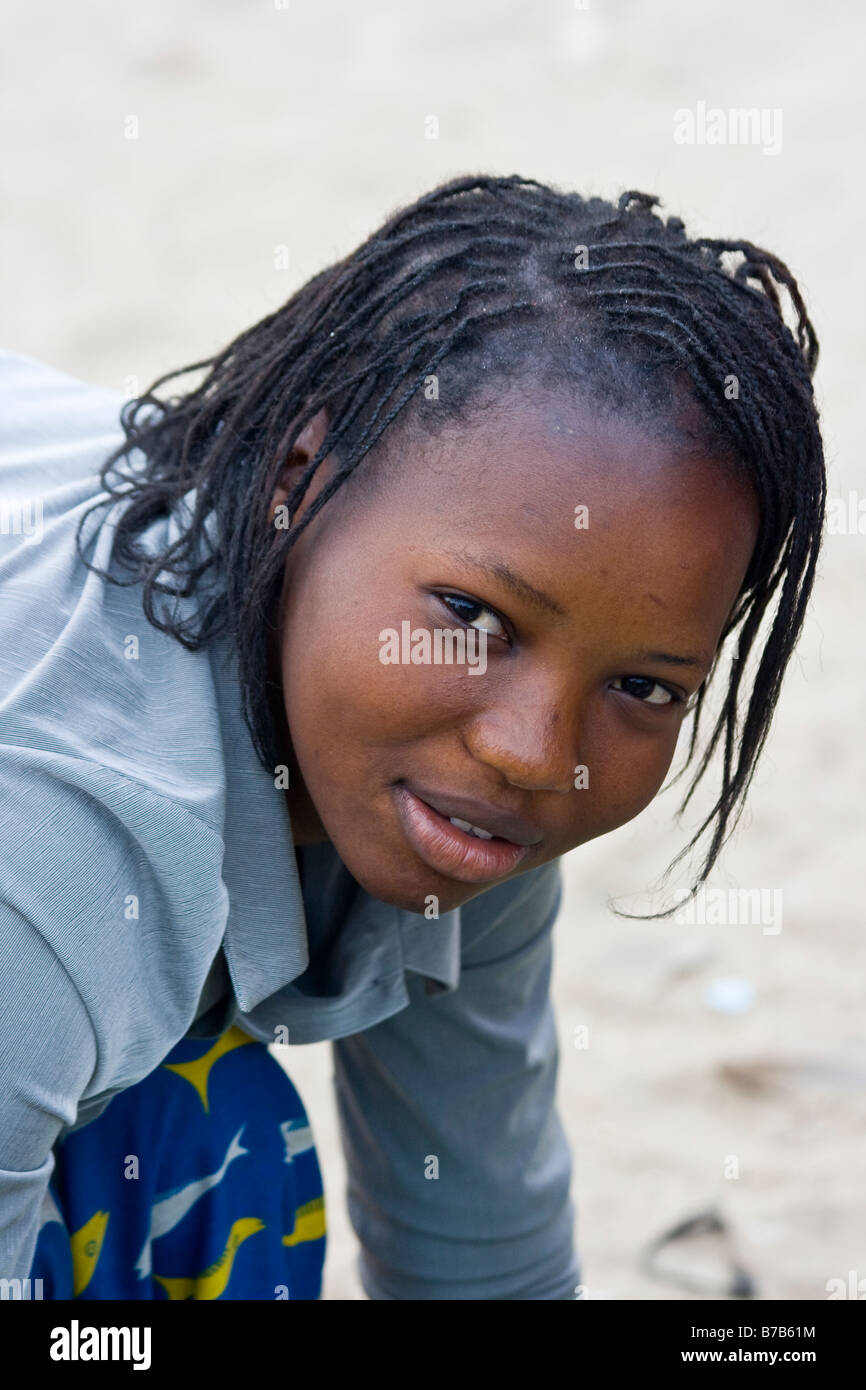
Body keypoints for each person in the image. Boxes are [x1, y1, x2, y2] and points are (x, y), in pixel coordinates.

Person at [0, 173, 825, 1300]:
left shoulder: (453, 798)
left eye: (640, 683)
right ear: (299, 479)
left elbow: (480, 1255)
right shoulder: (66, 837)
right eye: (470, 618)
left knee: (207, 1141)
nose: (533, 751)